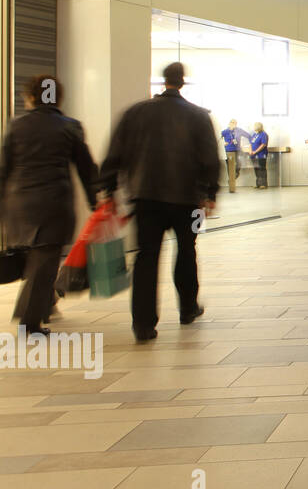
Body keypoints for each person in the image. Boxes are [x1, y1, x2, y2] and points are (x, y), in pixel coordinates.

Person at [100, 62, 222, 342]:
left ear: (163, 81)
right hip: (187, 199)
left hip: (145, 197)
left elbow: (115, 152)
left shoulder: (135, 113)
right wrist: (211, 193)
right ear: (182, 83)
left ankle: (143, 324)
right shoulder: (198, 116)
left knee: (146, 256)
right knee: (187, 249)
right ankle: (188, 308)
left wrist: (108, 189)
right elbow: (209, 158)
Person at [0, 75, 98, 336]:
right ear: (57, 98)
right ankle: (29, 323)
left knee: (38, 261)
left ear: (31, 97)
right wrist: (94, 200)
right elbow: (86, 168)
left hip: (18, 205)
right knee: (44, 262)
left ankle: (46, 305)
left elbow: (4, 167)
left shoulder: (16, 126)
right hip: (54, 204)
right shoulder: (70, 127)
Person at [220, 119, 248, 193]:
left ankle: (233, 177)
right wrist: (223, 143)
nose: (233, 124)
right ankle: (231, 184)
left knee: (239, 164)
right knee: (230, 167)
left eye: (234, 123)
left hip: (237, 150)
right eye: (231, 122)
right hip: (228, 151)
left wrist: (247, 145)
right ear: (229, 123)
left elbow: (248, 135)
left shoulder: (239, 130)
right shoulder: (225, 131)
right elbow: (218, 138)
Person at [250, 122, 269, 189]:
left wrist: (255, 151)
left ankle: (263, 184)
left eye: (255, 125)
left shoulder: (263, 134)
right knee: (256, 169)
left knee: (262, 169)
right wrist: (251, 151)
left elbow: (263, 144)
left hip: (261, 155)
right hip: (254, 155)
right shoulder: (254, 134)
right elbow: (251, 143)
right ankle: (258, 184)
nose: (254, 127)